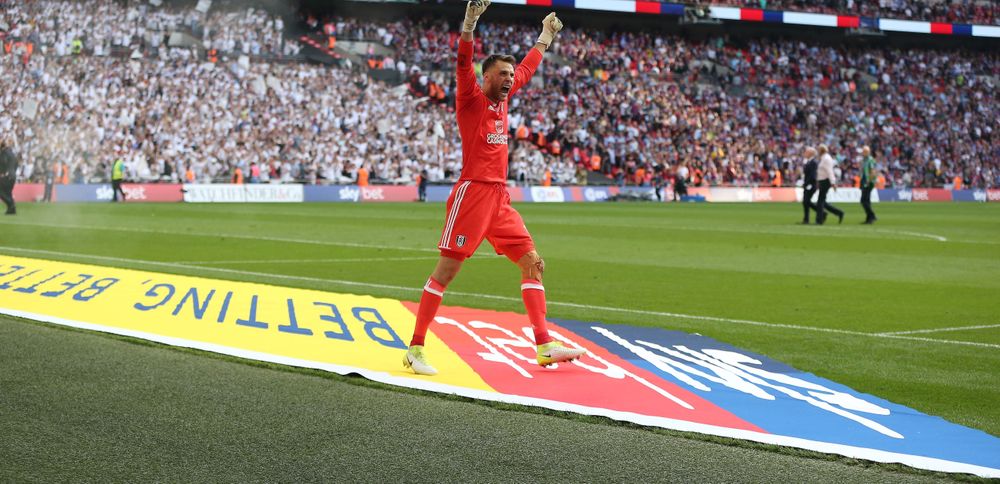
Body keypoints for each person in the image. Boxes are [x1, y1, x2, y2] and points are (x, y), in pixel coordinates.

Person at [403, 0, 584, 376]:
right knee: (445, 273)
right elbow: (462, 62)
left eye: (509, 75)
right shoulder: (470, 99)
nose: (509, 79)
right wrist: (469, 24)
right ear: (485, 77)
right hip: (472, 195)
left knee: (533, 264)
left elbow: (527, 69)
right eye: (502, 74)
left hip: (500, 198)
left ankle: (544, 345)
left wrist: (545, 37)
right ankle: (415, 347)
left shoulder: (505, 99)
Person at [815, 144, 843, 225]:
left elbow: (830, 171)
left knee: (820, 202)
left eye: (819, 149)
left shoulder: (826, 159)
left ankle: (819, 220)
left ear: (822, 150)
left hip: (825, 181)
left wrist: (833, 182)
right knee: (822, 201)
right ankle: (839, 212)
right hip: (823, 180)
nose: (818, 151)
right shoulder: (823, 158)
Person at [800, 146, 819, 224]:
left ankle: (820, 212)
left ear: (810, 153)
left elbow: (812, 175)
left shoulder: (813, 162)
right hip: (808, 184)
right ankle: (806, 219)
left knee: (806, 202)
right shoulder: (809, 162)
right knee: (806, 202)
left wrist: (806, 183)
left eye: (806, 152)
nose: (805, 153)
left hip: (811, 185)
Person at [859, 146, 877, 224]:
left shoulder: (870, 160)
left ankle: (872, 215)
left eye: (863, 152)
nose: (862, 153)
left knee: (864, 200)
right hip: (864, 181)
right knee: (866, 200)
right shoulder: (864, 160)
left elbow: (873, 171)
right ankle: (869, 218)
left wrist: (869, 181)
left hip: (868, 182)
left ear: (867, 152)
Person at [0, 136, 18, 215]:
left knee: (2, 192)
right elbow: (16, 164)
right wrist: (13, 172)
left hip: (7, 175)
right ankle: (11, 210)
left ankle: (11, 204)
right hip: (13, 176)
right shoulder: (11, 153)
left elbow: (3, 162)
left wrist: (3, 172)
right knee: (8, 192)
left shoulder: (3, 153)